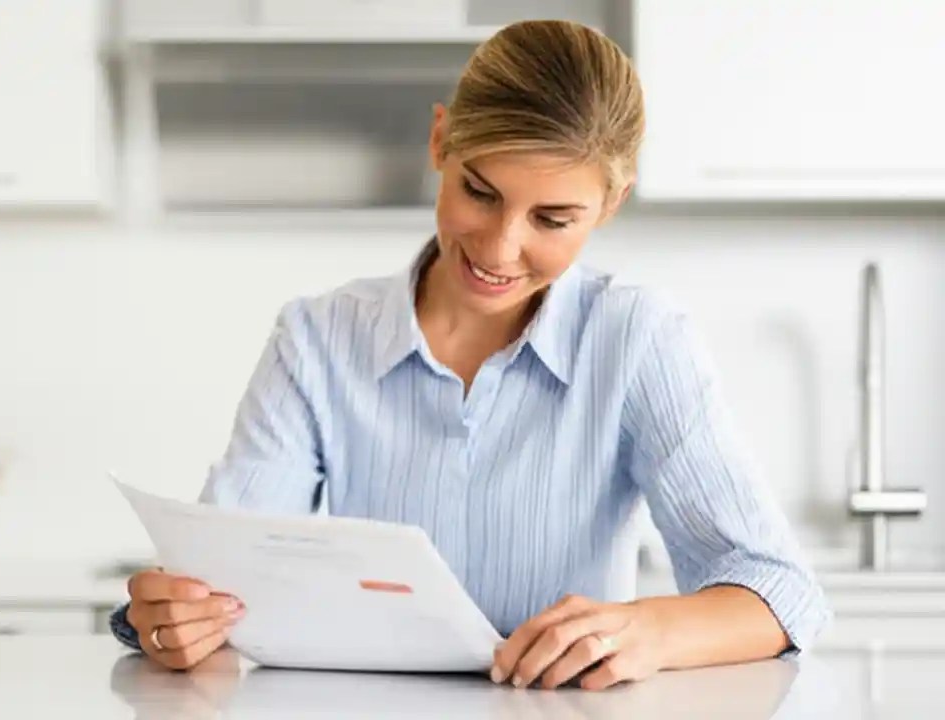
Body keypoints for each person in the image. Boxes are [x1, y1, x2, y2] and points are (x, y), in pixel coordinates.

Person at [109, 19, 830, 690]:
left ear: (609, 204)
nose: (498, 248)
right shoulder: (317, 340)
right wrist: (175, 617)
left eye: (552, 218)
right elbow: (228, 576)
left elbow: (780, 591)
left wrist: (651, 628)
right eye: (479, 193)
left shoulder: (637, 340)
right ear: (439, 142)